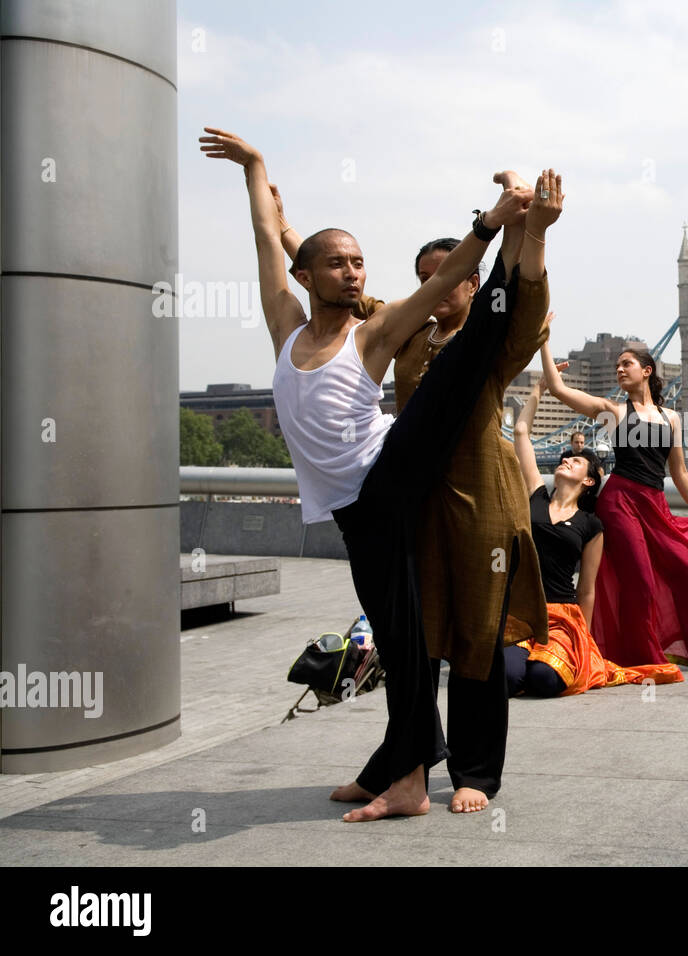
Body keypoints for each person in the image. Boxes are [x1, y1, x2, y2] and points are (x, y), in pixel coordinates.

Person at [202, 126, 557, 821]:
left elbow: (455, 280)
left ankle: (414, 781)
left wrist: (500, 224)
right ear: (308, 278)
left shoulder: (380, 330)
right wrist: (256, 167)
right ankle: (402, 769)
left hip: (393, 475)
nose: (355, 272)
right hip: (365, 507)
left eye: (360, 262)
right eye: (338, 264)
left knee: (466, 358)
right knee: (402, 640)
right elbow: (269, 247)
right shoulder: (289, 325)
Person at [539, 335, 688, 669]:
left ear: (647, 370)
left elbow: (681, 473)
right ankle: (644, 657)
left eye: (626, 364)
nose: (619, 370)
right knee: (642, 582)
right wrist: (544, 341)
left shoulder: (672, 418)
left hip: (655, 505)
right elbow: (559, 390)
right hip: (620, 503)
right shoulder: (614, 412)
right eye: (617, 365)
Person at [508, 374, 684, 695]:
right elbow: (521, 432)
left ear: (589, 481)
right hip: (520, 612)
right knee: (507, 679)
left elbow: (587, 589)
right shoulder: (536, 495)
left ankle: (552, 659)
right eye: (565, 458)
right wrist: (538, 389)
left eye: (575, 460)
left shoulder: (590, 524)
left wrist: (583, 640)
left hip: (562, 616)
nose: (566, 460)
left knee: (544, 681)